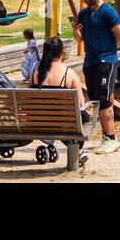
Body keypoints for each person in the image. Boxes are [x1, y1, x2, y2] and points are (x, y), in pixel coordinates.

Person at [73, 0, 120, 154]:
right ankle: (106, 137)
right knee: (96, 99)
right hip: (90, 61)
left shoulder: (108, 12)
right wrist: (75, 29)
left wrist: (108, 50)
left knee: (104, 100)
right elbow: (80, 38)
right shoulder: (84, 13)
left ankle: (110, 138)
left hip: (106, 61)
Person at [28, 36, 89, 166]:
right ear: (62, 52)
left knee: (61, 119)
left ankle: (78, 152)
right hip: (61, 122)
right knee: (83, 116)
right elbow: (81, 103)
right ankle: (78, 151)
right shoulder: (69, 73)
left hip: (36, 122)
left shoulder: (35, 73)